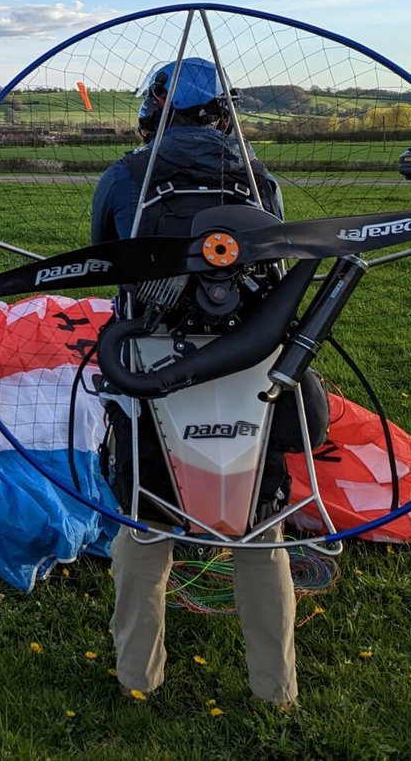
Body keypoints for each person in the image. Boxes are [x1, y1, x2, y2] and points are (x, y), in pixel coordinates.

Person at [91, 56, 299, 709]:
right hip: (250, 372)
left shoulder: (124, 179)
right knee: (261, 530)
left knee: (145, 529)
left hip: (151, 377)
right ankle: (277, 691)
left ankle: (138, 680)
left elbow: (105, 262)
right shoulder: (261, 182)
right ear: (225, 111)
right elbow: (280, 270)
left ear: (154, 110)